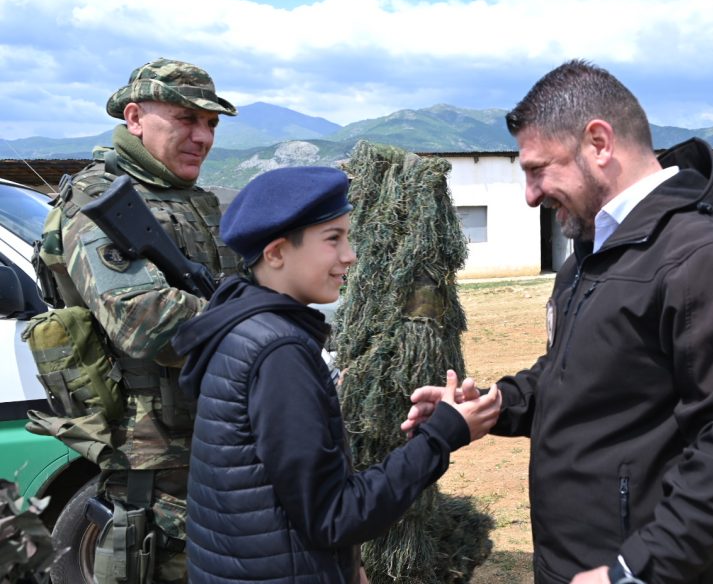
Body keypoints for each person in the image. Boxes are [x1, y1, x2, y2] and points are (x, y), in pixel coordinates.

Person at [403, 60, 713, 583]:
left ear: (598, 143)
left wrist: (636, 569)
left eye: (536, 169)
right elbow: (574, 375)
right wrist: (497, 404)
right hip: (578, 563)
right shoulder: (591, 255)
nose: (530, 195)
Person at [172, 166, 503, 584]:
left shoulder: (242, 325)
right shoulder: (280, 351)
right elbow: (333, 515)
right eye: (333, 239)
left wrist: (347, 565)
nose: (350, 255)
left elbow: (288, 497)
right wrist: (441, 437)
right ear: (275, 253)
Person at [31, 58, 241, 582]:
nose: (202, 136)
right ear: (135, 117)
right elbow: (148, 324)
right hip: (155, 462)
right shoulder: (98, 203)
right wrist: (262, 323)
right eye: (185, 119)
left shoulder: (193, 200)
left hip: (213, 438)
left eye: (211, 124)